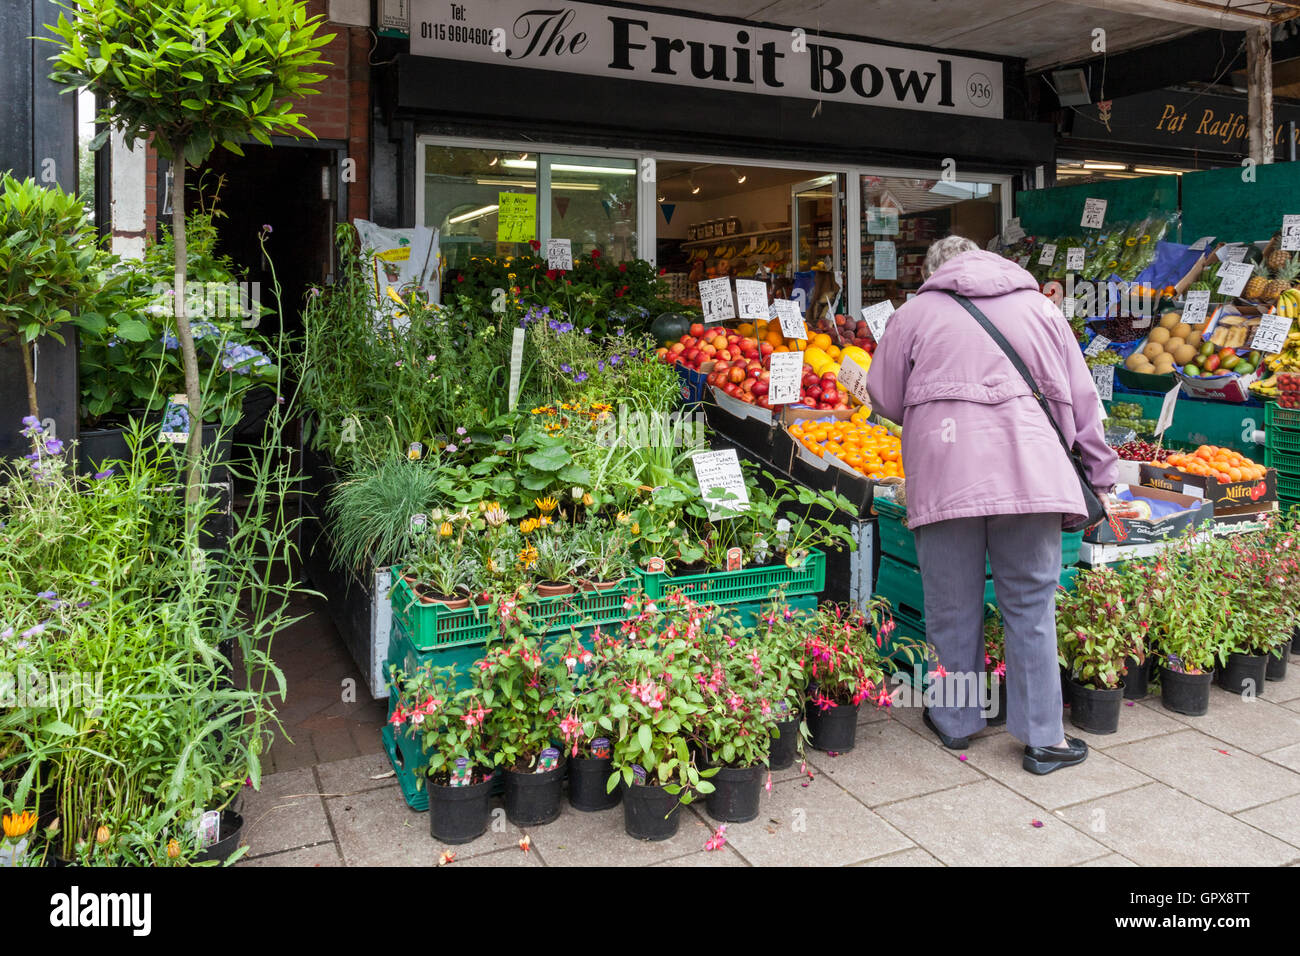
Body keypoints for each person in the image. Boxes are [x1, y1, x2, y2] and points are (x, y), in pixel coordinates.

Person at [866, 235, 1117, 775]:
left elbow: (883, 397)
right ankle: (1043, 740)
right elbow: (1083, 398)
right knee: (1031, 603)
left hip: (945, 478)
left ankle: (956, 721)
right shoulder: (1042, 308)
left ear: (935, 271)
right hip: (1031, 475)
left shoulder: (914, 314)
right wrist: (1102, 473)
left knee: (950, 604)